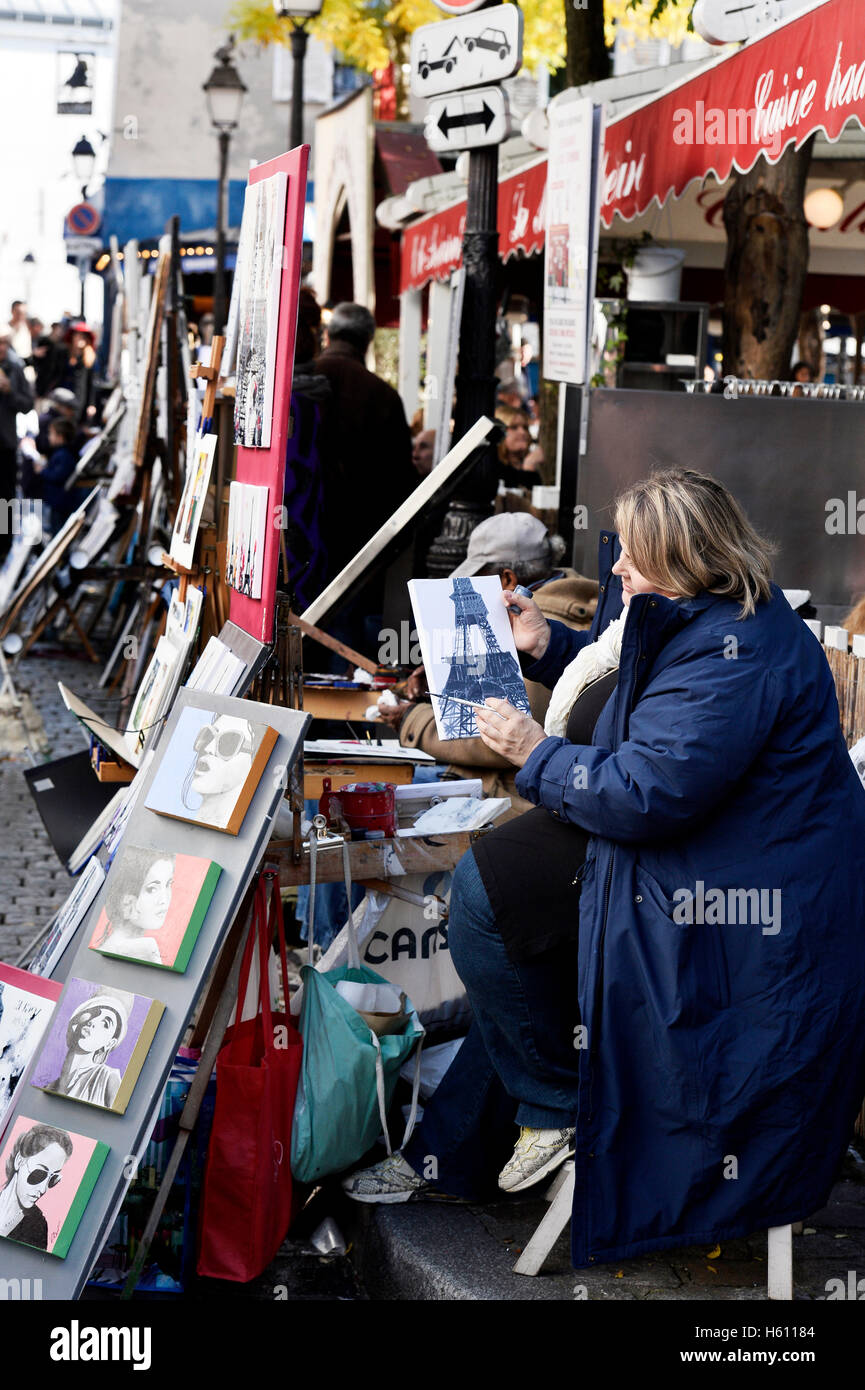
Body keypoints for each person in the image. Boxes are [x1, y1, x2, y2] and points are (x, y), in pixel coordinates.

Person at [344, 467, 865, 1273]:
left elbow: (650, 790)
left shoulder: (735, 651)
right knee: (516, 932)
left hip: (738, 903)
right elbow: (635, 699)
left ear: (688, 560)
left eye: (634, 557)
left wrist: (532, 753)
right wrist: (549, 644)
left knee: (505, 910)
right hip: (700, 855)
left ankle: (547, 1109)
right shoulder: (698, 619)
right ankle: (476, 1145)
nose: (614, 569)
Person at [379, 513, 598, 815]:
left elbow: (506, 737)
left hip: (512, 798)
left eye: (478, 574)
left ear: (507, 579)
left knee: (376, 790)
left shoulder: (531, 626)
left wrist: (413, 721)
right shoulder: (572, 614)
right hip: (538, 789)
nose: (469, 584)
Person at [313, 302, 417, 581]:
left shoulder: (300, 382)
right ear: (368, 340)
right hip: (357, 539)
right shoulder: (382, 395)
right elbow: (400, 478)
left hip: (302, 529)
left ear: (327, 335)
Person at [43, 993, 130, 1109]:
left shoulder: (109, 1078)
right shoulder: (50, 1085)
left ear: (110, 1043)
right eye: (93, 1015)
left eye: (105, 1024)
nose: (92, 1022)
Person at [93, 848, 176, 965]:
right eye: (152, 889)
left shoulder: (110, 944)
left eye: (168, 884)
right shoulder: (146, 948)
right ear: (126, 900)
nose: (164, 899)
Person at [0, 1123, 73, 1250]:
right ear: (19, 1161)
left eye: (53, 1179)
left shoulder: (37, 1226)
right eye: (40, 1174)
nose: (43, 1189)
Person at [181, 714, 258, 829]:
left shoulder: (256, 815)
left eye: (229, 742)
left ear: (253, 757)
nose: (208, 748)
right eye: (208, 735)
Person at [0, 332, 35, 555]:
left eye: (4, 344)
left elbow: (27, 404)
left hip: (6, 443)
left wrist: (9, 390)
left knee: (6, 497)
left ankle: (5, 545)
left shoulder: (15, 368)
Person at [33, 417, 78, 534]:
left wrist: (42, 471)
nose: (49, 437)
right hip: (56, 501)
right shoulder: (61, 453)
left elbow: (58, 476)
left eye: (51, 434)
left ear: (60, 437)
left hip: (59, 502)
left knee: (57, 531)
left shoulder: (64, 455)